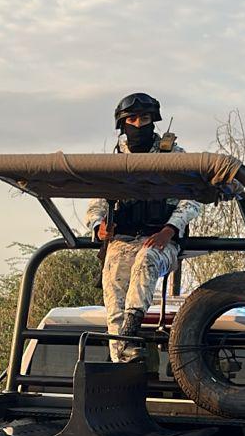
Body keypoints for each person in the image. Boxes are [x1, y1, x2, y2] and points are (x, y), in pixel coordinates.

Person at [82, 93, 202, 363]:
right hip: (123, 239)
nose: (138, 125)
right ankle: (122, 359)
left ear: (154, 121)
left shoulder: (173, 157)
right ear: (123, 125)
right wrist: (99, 226)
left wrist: (170, 229)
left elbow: (192, 199)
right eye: (132, 119)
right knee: (113, 289)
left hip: (161, 240)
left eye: (144, 119)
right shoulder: (113, 163)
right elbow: (96, 203)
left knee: (146, 260)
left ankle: (131, 328)